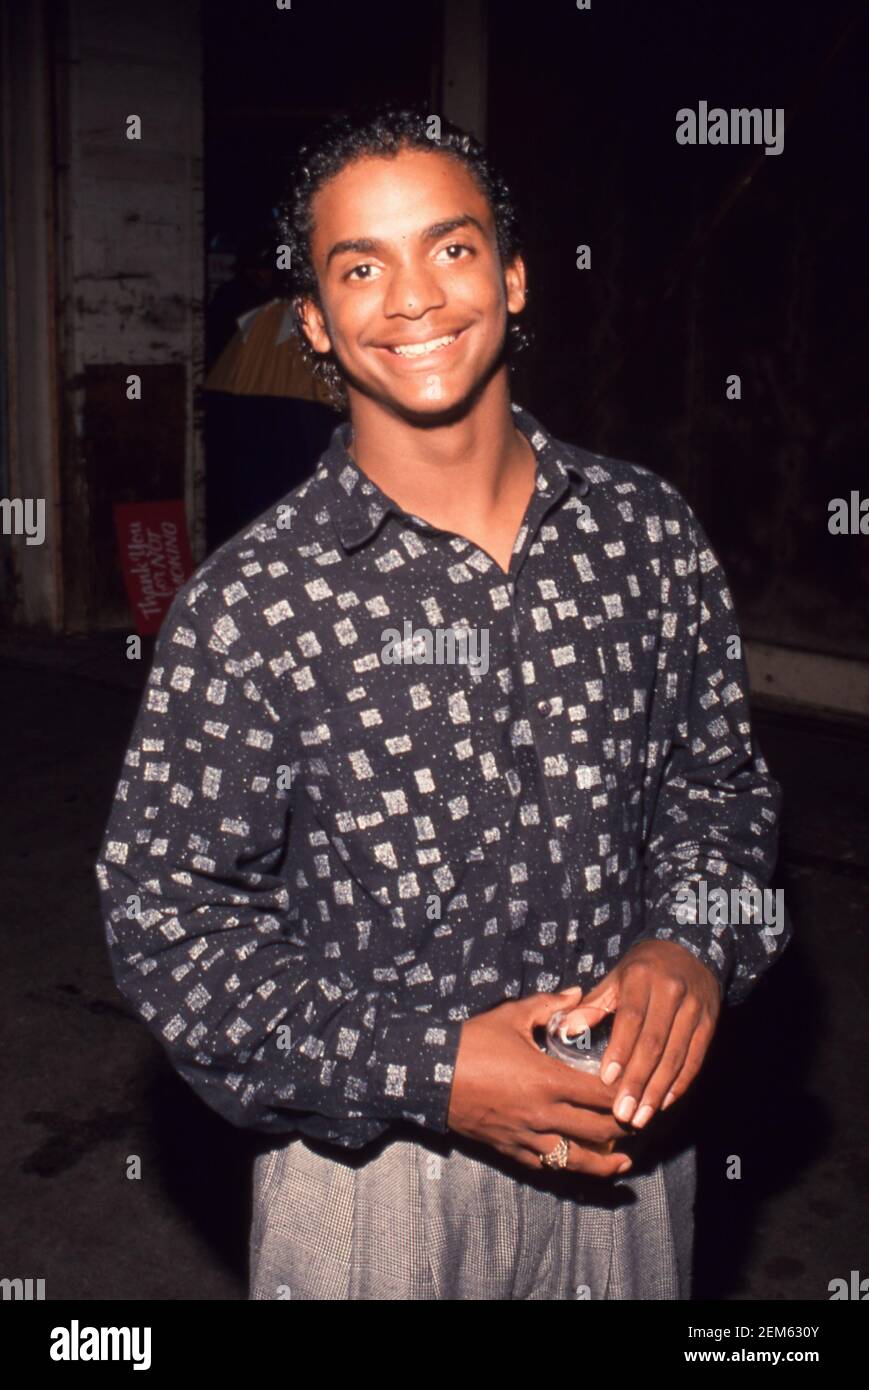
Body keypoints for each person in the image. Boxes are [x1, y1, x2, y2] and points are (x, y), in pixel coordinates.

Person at [94, 101, 792, 1301]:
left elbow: (714, 791)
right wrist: (426, 1067)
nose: (411, 297)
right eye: (360, 266)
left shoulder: (646, 537)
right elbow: (169, 920)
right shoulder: (253, 605)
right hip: (370, 1177)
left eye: (450, 247)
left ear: (514, 279)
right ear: (313, 320)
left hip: (625, 1142)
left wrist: (693, 943)